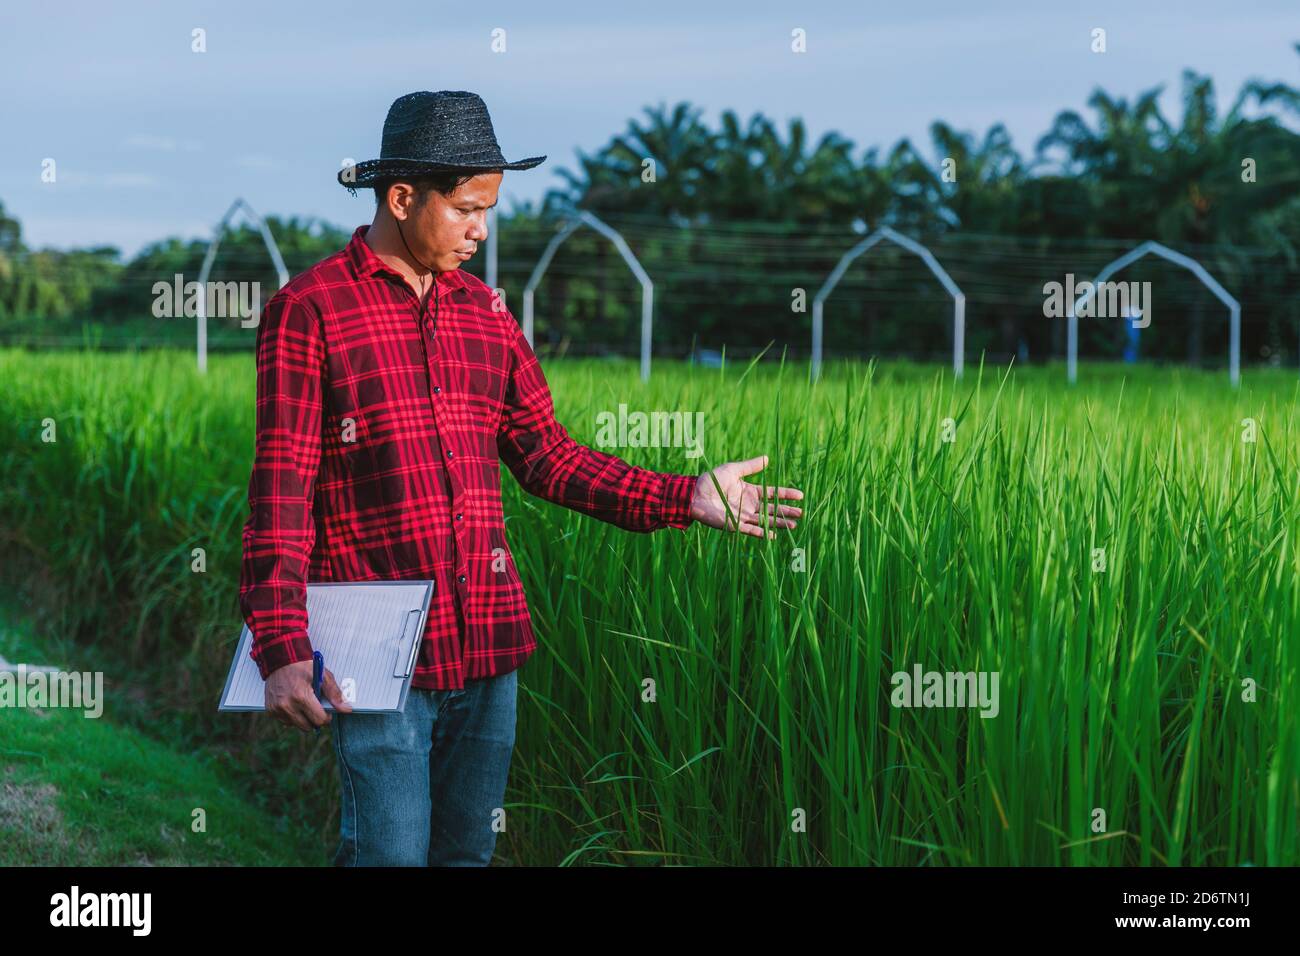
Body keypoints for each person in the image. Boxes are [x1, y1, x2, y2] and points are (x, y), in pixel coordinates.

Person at [238, 90, 804, 866]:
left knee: (466, 856)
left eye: (489, 209)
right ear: (403, 198)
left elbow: (551, 458)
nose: (481, 230)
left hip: (489, 647)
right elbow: (281, 493)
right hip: (377, 658)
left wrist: (687, 495)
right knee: (390, 857)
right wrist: (280, 645)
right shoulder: (312, 310)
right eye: (467, 208)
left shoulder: (487, 314)